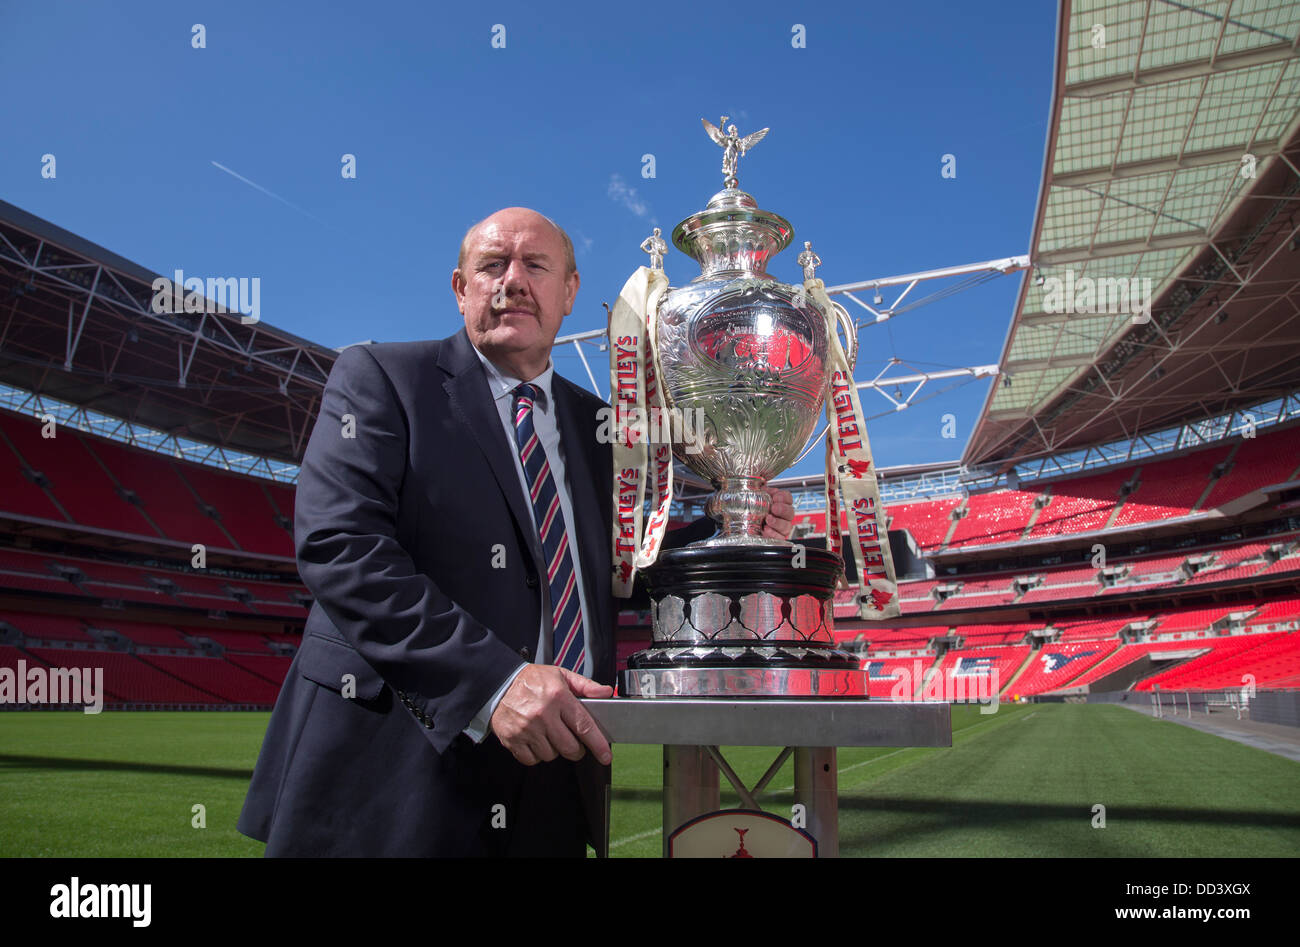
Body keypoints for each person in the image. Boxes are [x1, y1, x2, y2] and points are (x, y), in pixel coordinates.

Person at [237, 207, 796, 857]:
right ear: (459, 287)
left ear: (570, 292)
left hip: (557, 773)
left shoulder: (601, 428)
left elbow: (617, 565)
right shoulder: (382, 378)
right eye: (492, 264)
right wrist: (493, 682)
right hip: (394, 774)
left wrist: (729, 532)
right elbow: (342, 546)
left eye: (536, 264)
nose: (514, 280)